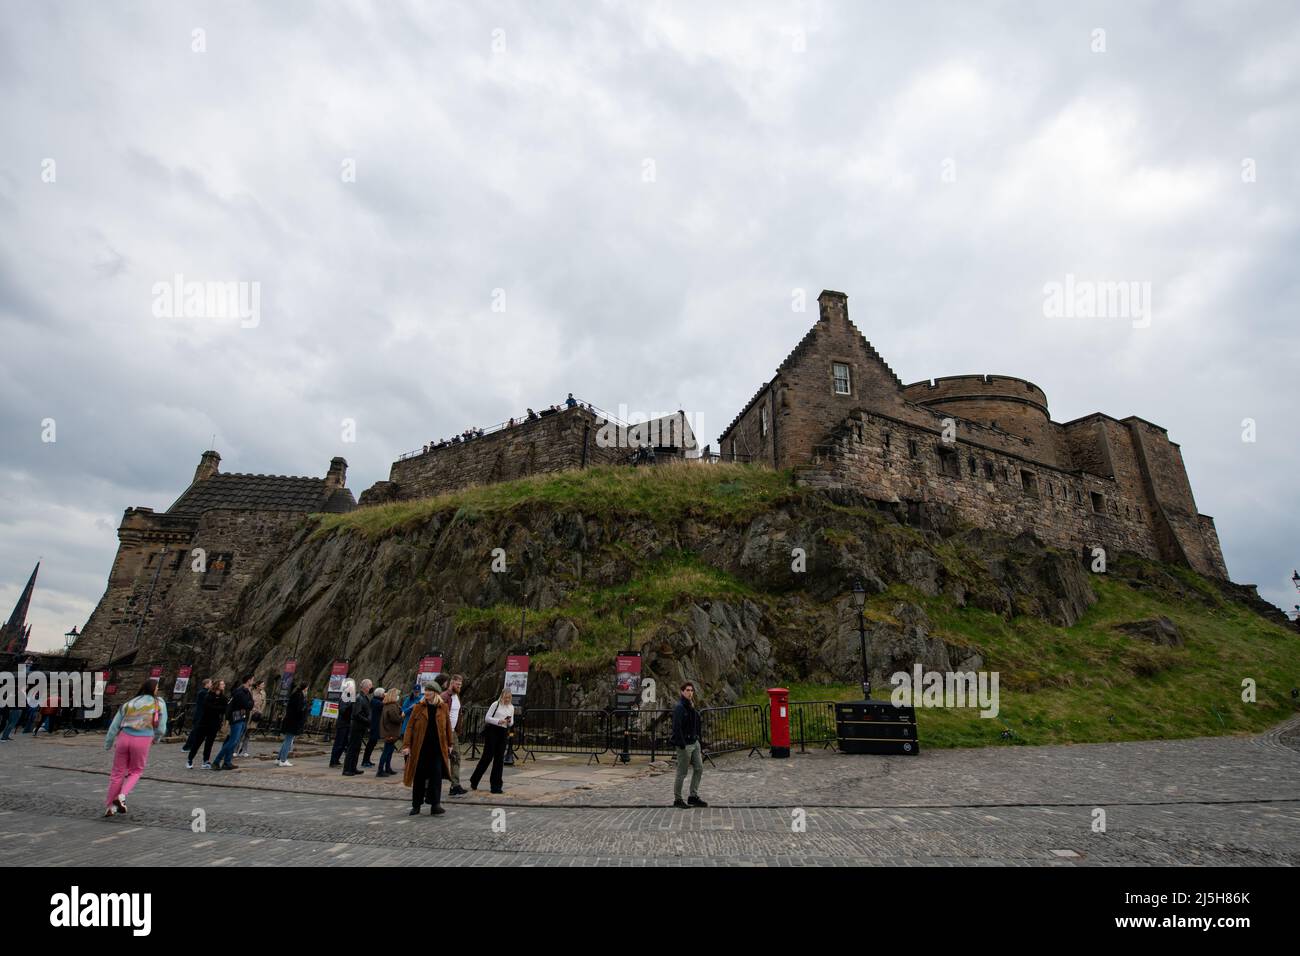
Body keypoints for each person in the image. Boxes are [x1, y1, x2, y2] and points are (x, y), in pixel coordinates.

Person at [102, 678, 168, 817]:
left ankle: (109, 806)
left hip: (124, 738)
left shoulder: (129, 703)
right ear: (154, 689)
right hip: (143, 739)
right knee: (136, 771)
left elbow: (114, 725)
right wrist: (156, 739)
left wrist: (108, 743)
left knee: (117, 773)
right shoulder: (159, 703)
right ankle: (122, 796)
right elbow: (161, 728)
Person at [401, 682, 451, 815]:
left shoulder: (443, 707)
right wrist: (406, 746)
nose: (426, 693)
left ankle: (435, 805)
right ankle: (416, 805)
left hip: (437, 748)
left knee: (436, 776)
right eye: (426, 690)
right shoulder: (418, 707)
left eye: (429, 690)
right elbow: (409, 727)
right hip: (420, 747)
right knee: (419, 777)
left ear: (435, 693)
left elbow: (447, 728)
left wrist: (450, 744)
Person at [670, 681, 708, 809]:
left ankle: (693, 796)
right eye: (687, 690)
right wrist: (681, 744)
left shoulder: (691, 705)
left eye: (691, 690)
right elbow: (676, 727)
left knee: (699, 768)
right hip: (685, 744)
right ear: (682, 692)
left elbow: (696, 724)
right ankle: (678, 799)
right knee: (682, 772)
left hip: (694, 742)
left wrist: (698, 740)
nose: (690, 692)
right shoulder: (680, 707)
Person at [469, 688, 513, 794]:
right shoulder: (495, 704)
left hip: (503, 732)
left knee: (499, 759)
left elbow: (511, 723)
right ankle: (474, 780)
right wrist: (499, 721)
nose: (507, 699)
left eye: (509, 697)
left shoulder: (511, 707)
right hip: (493, 731)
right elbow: (487, 718)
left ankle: (496, 786)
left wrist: (509, 721)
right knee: (487, 757)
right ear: (502, 696)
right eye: (505, 697)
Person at [211, 674, 254, 771]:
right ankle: (217, 761)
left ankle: (227, 762)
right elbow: (247, 704)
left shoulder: (247, 692)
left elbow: (250, 704)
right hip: (236, 718)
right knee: (232, 741)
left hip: (243, 718)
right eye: (252, 680)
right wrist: (250, 703)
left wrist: (250, 703)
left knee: (235, 741)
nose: (253, 682)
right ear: (248, 681)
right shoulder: (240, 692)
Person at [188, 680, 226, 768]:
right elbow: (208, 707)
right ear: (217, 685)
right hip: (205, 722)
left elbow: (224, 708)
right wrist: (218, 708)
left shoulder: (223, 697)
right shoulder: (208, 696)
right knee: (198, 742)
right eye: (222, 684)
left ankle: (206, 761)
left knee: (209, 743)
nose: (224, 685)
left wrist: (217, 709)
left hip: (215, 722)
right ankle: (190, 759)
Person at [441, 675, 467, 796]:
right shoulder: (445, 696)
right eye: (457, 684)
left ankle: (455, 785)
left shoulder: (457, 696)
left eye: (460, 685)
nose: (459, 687)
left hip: (453, 732)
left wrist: (457, 729)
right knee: (440, 758)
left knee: (456, 757)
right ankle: (427, 785)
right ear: (451, 683)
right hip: (444, 732)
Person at [342, 679, 372, 775]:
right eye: (370, 686)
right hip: (356, 727)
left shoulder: (364, 698)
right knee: (352, 748)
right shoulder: (359, 698)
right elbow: (356, 714)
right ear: (366, 687)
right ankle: (347, 769)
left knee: (357, 748)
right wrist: (367, 721)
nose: (371, 688)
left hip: (361, 727)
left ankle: (353, 767)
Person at [277, 682, 307, 766]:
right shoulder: (299, 696)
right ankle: (283, 760)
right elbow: (299, 709)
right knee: (288, 741)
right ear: (305, 688)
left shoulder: (296, 694)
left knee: (287, 740)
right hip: (293, 721)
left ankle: (279, 758)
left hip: (290, 720)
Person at [376, 688, 402, 777]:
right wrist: (402, 716)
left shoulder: (388, 705)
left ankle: (387, 768)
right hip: (390, 732)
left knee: (389, 751)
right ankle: (380, 770)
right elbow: (396, 718)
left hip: (389, 731)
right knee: (387, 751)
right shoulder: (391, 706)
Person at [237, 679, 266, 758]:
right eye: (262, 684)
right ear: (257, 685)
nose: (263, 686)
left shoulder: (263, 693)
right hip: (248, 713)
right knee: (242, 731)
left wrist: (260, 712)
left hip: (255, 715)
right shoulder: (250, 691)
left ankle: (244, 750)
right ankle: (235, 750)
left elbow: (263, 704)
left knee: (248, 733)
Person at [182, 679, 212, 753]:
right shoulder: (203, 692)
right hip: (199, 715)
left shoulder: (205, 692)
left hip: (201, 714)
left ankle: (191, 746)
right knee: (195, 731)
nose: (211, 685)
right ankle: (187, 746)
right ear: (207, 684)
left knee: (197, 731)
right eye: (210, 683)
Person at [329, 681, 354, 767]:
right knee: (339, 743)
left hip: (347, 723)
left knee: (343, 743)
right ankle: (333, 761)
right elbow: (343, 711)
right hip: (342, 723)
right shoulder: (344, 698)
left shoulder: (349, 697)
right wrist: (350, 705)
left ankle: (336, 759)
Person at [362, 686, 384, 768]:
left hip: (374, 725)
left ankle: (367, 760)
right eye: (383, 694)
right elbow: (383, 705)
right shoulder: (376, 702)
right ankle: (365, 761)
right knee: (370, 744)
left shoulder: (375, 701)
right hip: (374, 726)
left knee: (372, 744)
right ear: (380, 694)